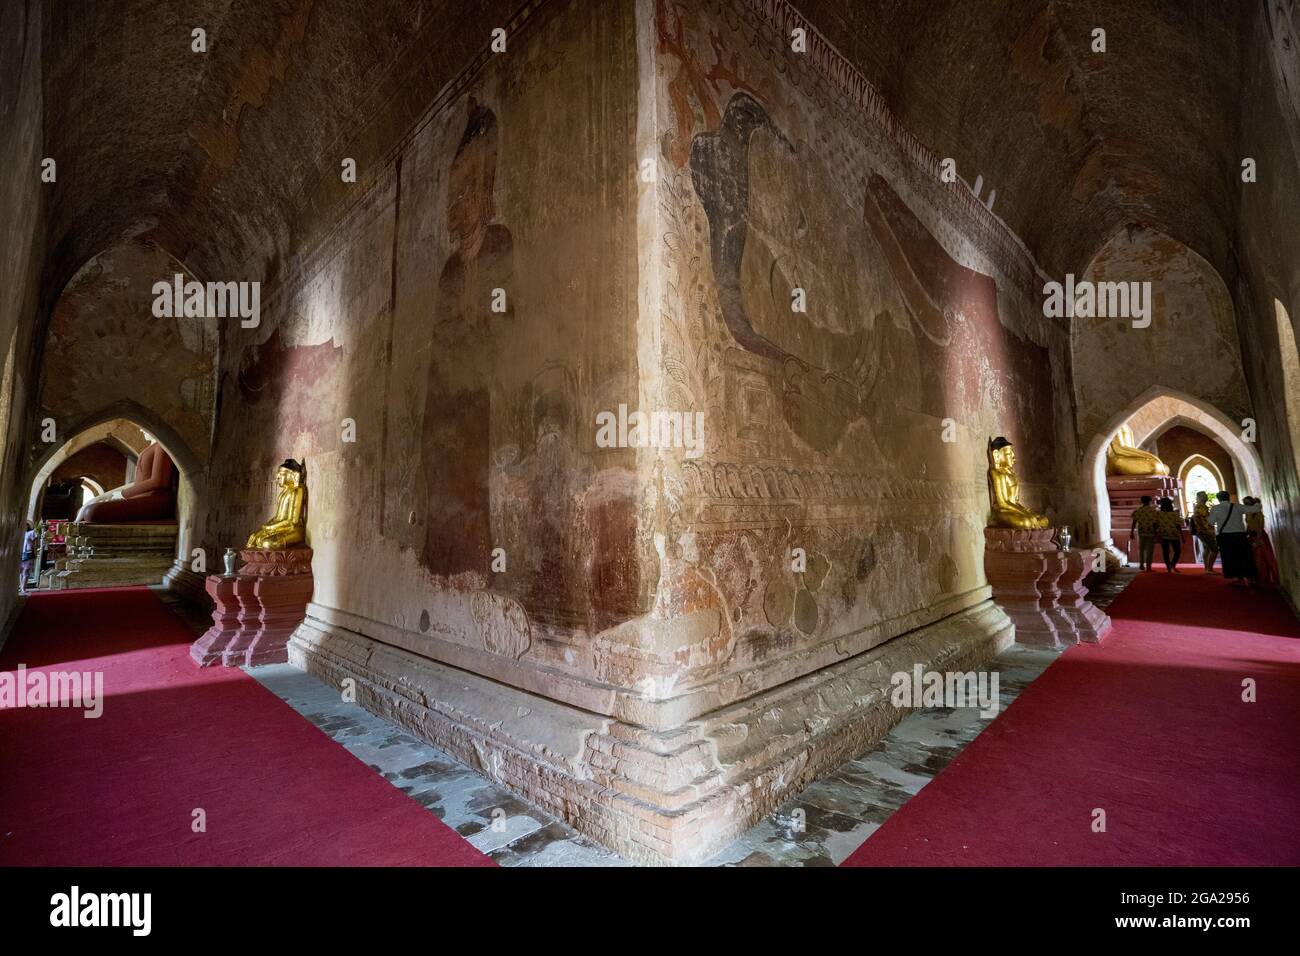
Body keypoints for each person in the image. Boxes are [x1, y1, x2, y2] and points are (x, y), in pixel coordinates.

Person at [1208, 491, 1261, 586]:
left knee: (1230, 558)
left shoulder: (1215, 508)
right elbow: (1256, 509)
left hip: (1225, 537)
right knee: (1244, 556)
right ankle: (1250, 578)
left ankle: (1238, 578)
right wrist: (1257, 502)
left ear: (1218, 499)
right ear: (1228, 498)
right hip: (1240, 536)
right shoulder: (1237, 506)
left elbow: (1211, 522)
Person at [1243, 496, 1280, 588]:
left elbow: (1260, 527)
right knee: (1254, 559)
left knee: (1263, 558)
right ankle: (1257, 579)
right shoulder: (1247, 513)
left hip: (1260, 537)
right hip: (1251, 537)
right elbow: (1248, 525)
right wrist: (1247, 534)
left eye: (1248, 503)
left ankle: (1266, 579)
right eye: (1245, 503)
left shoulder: (1258, 513)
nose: (1246, 505)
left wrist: (1258, 540)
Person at [1190, 490, 1219, 574]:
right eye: (1204, 495)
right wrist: (1206, 530)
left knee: (1206, 548)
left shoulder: (1203, 506)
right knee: (1215, 549)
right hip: (1204, 531)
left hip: (1204, 531)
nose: (1206, 496)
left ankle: (1207, 568)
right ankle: (1209, 569)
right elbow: (1200, 521)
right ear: (1199, 497)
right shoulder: (1199, 507)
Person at [1129, 495, 1159, 571]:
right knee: (1150, 550)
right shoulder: (1153, 511)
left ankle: (1141, 564)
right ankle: (1148, 566)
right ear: (1150, 501)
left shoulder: (1138, 511)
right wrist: (1157, 533)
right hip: (1151, 532)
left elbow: (1134, 522)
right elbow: (1155, 523)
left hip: (1141, 532)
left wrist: (1132, 532)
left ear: (1141, 501)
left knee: (1141, 549)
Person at [1155, 497, 1184, 572]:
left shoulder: (1158, 514)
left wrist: (1156, 533)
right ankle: (1172, 564)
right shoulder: (1174, 514)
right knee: (1177, 551)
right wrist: (1182, 536)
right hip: (1174, 534)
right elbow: (1178, 525)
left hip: (1163, 535)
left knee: (1166, 552)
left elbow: (1155, 524)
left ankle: (1168, 566)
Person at [18, 522, 36, 594]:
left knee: (26, 571)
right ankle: (20, 586)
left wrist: (34, 552)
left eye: (26, 525)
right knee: (20, 571)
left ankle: (23, 588)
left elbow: (35, 542)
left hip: (28, 553)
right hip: (20, 553)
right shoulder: (20, 533)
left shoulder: (31, 533)